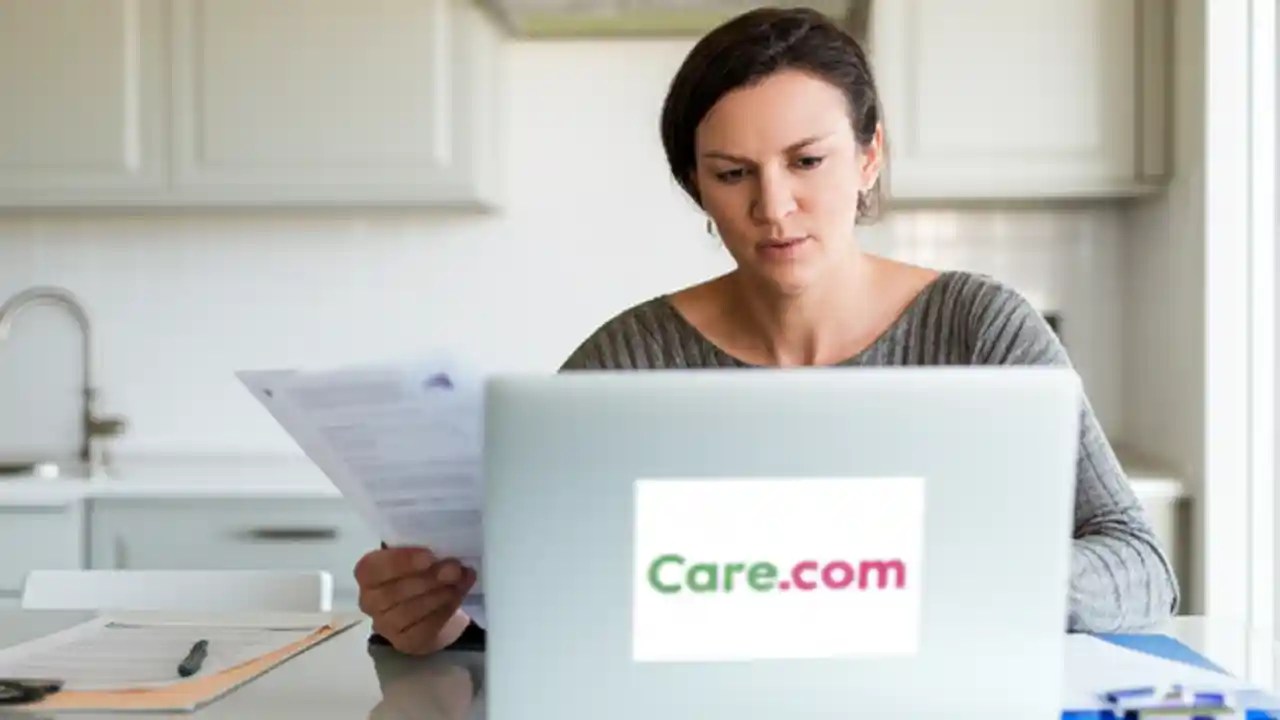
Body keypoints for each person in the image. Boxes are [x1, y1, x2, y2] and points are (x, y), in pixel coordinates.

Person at [353, 6, 1180, 656]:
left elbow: (1140, 571)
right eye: (732, 174)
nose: (773, 207)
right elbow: (533, 581)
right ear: (695, 187)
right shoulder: (630, 359)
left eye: (807, 161)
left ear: (868, 157)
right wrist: (436, 621)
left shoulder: (981, 327)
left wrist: (919, 579)